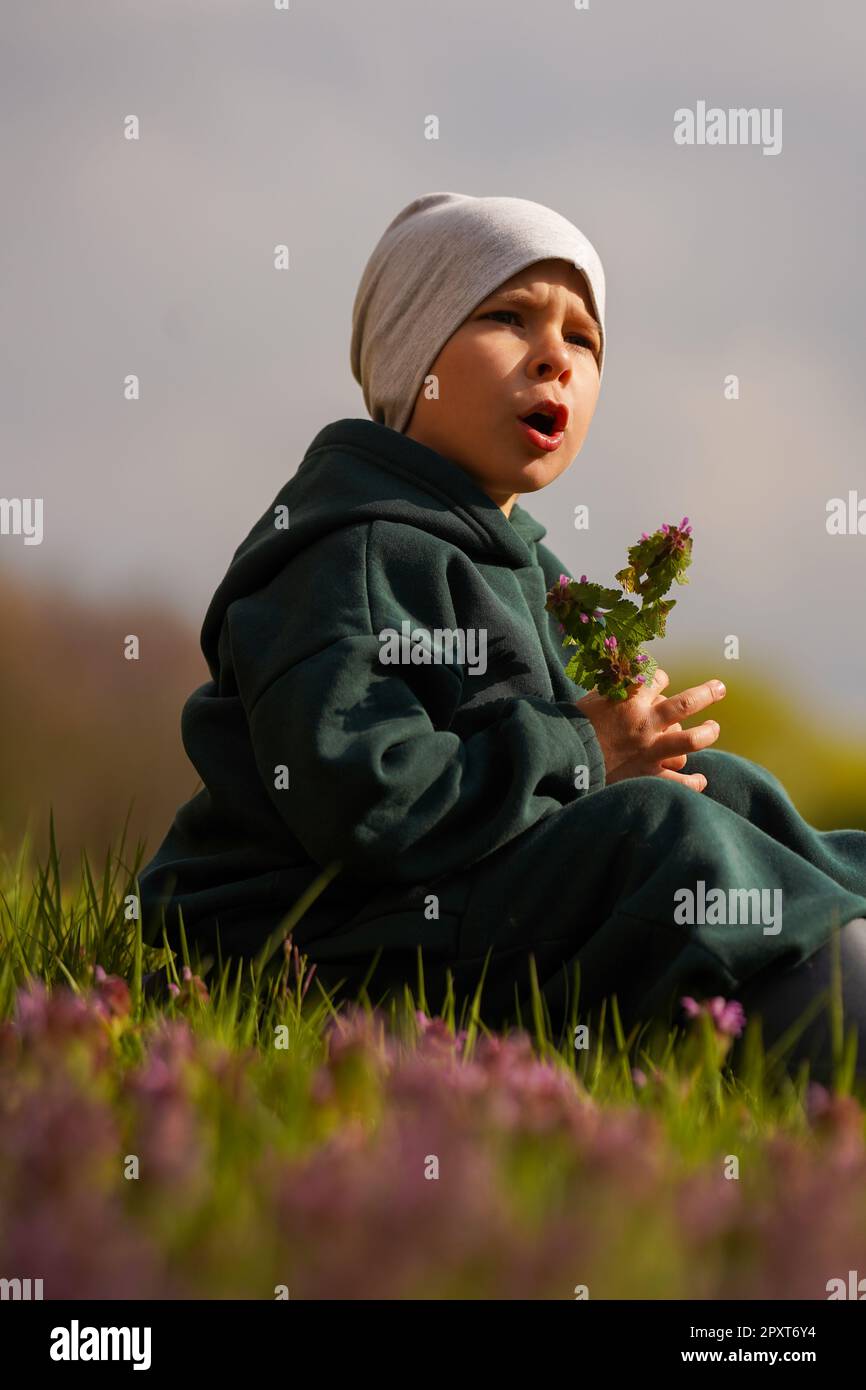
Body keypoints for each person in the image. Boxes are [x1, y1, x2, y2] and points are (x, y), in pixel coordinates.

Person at [138, 191, 866, 1083]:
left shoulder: (522, 565)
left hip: (439, 897)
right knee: (655, 829)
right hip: (307, 934)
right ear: (415, 357)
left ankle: (844, 916)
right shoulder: (354, 548)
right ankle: (824, 1004)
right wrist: (586, 750)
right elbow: (366, 801)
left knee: (716, 787)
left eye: (585, 340)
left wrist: (620, 749)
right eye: (508, 317)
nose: (555, 357)